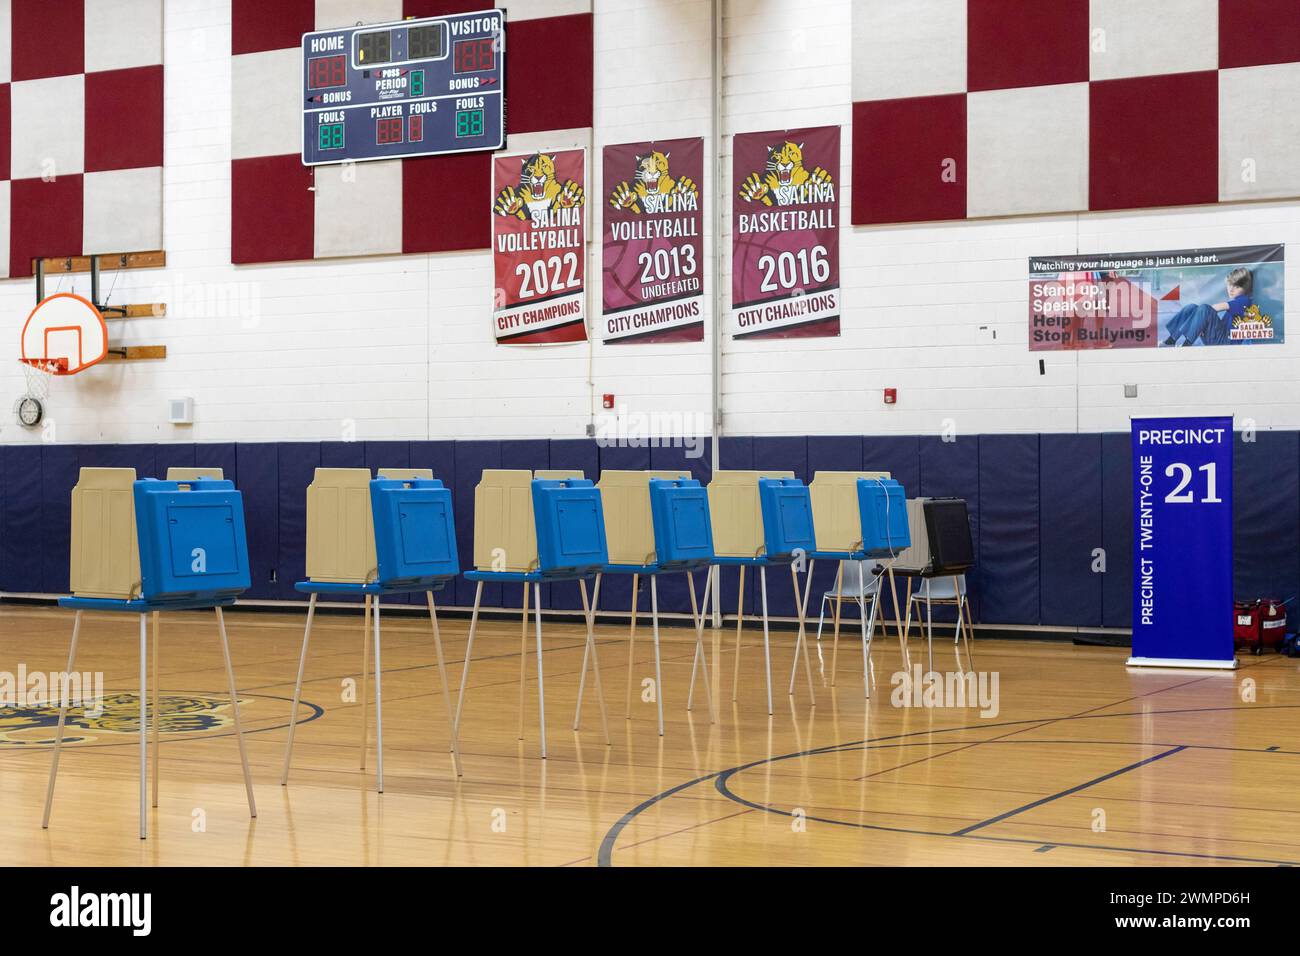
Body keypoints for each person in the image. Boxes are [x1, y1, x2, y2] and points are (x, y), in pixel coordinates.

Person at [1163, 267, 1254, 346]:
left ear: (1245, 288)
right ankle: (1171, 340)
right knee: (1192, 307)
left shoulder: (1244, 301)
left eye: (1237, 287)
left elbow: (1215, 308)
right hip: (1218, 337)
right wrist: (1200, 323)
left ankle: (1187, 345)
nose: (1231, 289)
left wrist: (1199, 321)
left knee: (1204, 309)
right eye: (1230, 284)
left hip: (1227, 342)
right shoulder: (1237, 301)